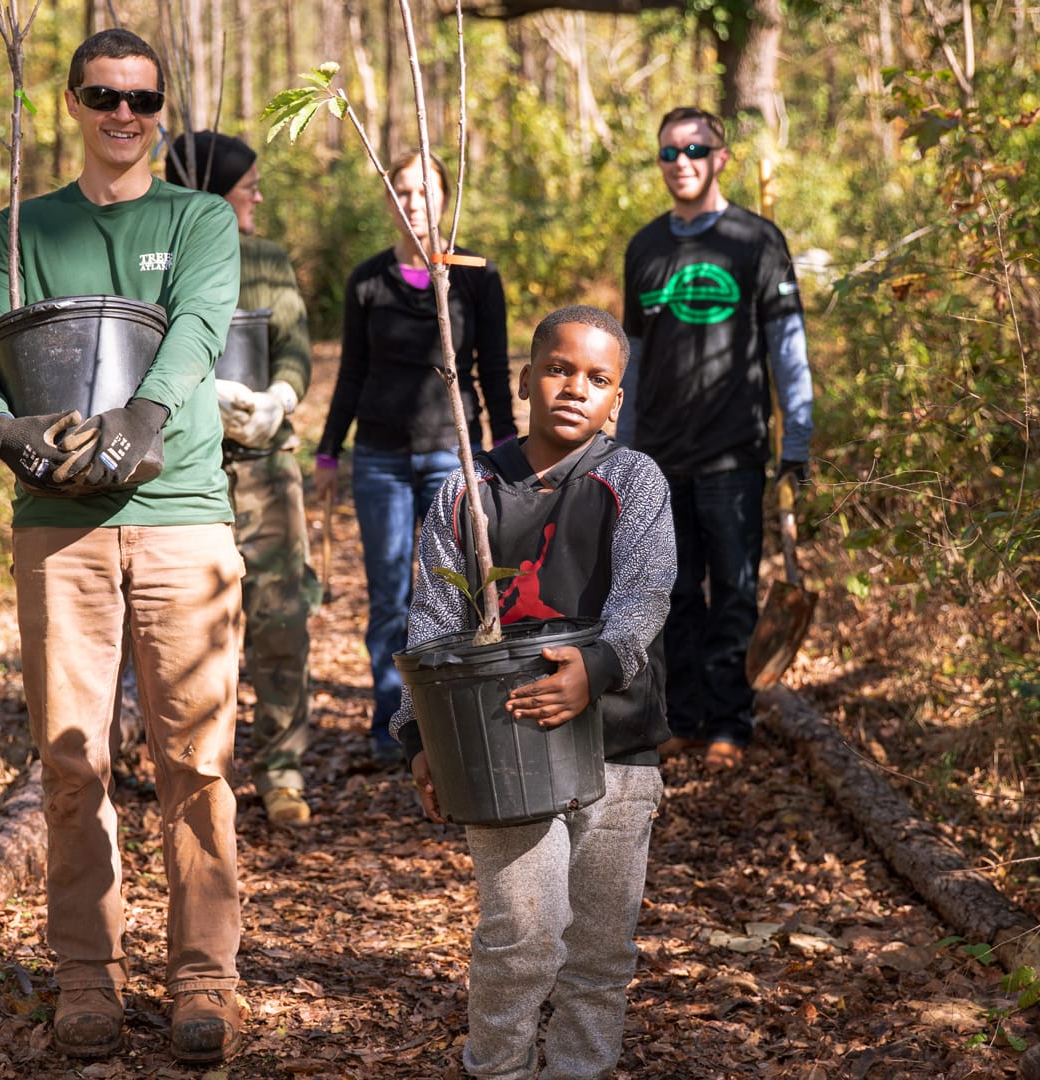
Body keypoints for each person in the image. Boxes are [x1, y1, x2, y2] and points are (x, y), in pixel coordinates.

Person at [0, 28, 246, 1064]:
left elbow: (199, 323)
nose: (125, 114)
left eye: (142, 98)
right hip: (60, 524)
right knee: (72, 759)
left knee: (196, 759)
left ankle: (206, 981)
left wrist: (146, 417)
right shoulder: (23, 228)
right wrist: (5, 429)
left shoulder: (198, 216)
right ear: (72, 102)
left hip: (182, 513)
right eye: (104, 96)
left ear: (161, 106)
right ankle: (88, 977)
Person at [392, 305, 675, 1080]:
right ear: (523, 378)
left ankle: (580, 1069)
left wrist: (601, 667)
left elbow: (647, 593)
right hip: (499, 750)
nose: (574, 388)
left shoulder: (633, 480)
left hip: (618, 744)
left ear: (617, 398)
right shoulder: (468, 488)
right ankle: (498, 1067)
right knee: (523, 928)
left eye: (597, 378)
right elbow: (433, 620)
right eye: (557, 369)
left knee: (600, 945)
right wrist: (422, 738)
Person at [620, 105, 815, 771]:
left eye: (694, 149)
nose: (681, 163)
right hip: (659, 453)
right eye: (668, 153)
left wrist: (800, 436)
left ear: (720, 156)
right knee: (673, 591)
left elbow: (787, 344)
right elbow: (634, 358)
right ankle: (682, 717)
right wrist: (620, 448)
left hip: (734, 450)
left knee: (733, 587)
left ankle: (730, 721)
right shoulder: (644, 248)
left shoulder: (756, 240)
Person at [316, 149, 515, 763]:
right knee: (388, 596)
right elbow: (350, 372)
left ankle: (456, 720)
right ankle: (393, 727)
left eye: (425, 191)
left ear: (444, 199)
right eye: (401, 191)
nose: (413, 203)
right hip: (378, 458)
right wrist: (328, 452)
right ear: (389, 199)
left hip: (451, 457)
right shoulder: (368, 281)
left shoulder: (476, 279)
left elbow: (493, 374)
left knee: (456, 590)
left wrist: (507, 453)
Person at [167, 130, 323, 828]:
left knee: (281, 615)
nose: (259, 195)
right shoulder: (162, 259)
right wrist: (202, 394)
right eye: (247, 184)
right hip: (186, 466)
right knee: (194, 624)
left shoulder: (264, 259)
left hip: (266, 464)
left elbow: (294, 348)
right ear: (208, 192)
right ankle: (203, 771)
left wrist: (278, 401)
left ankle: (282, 769)